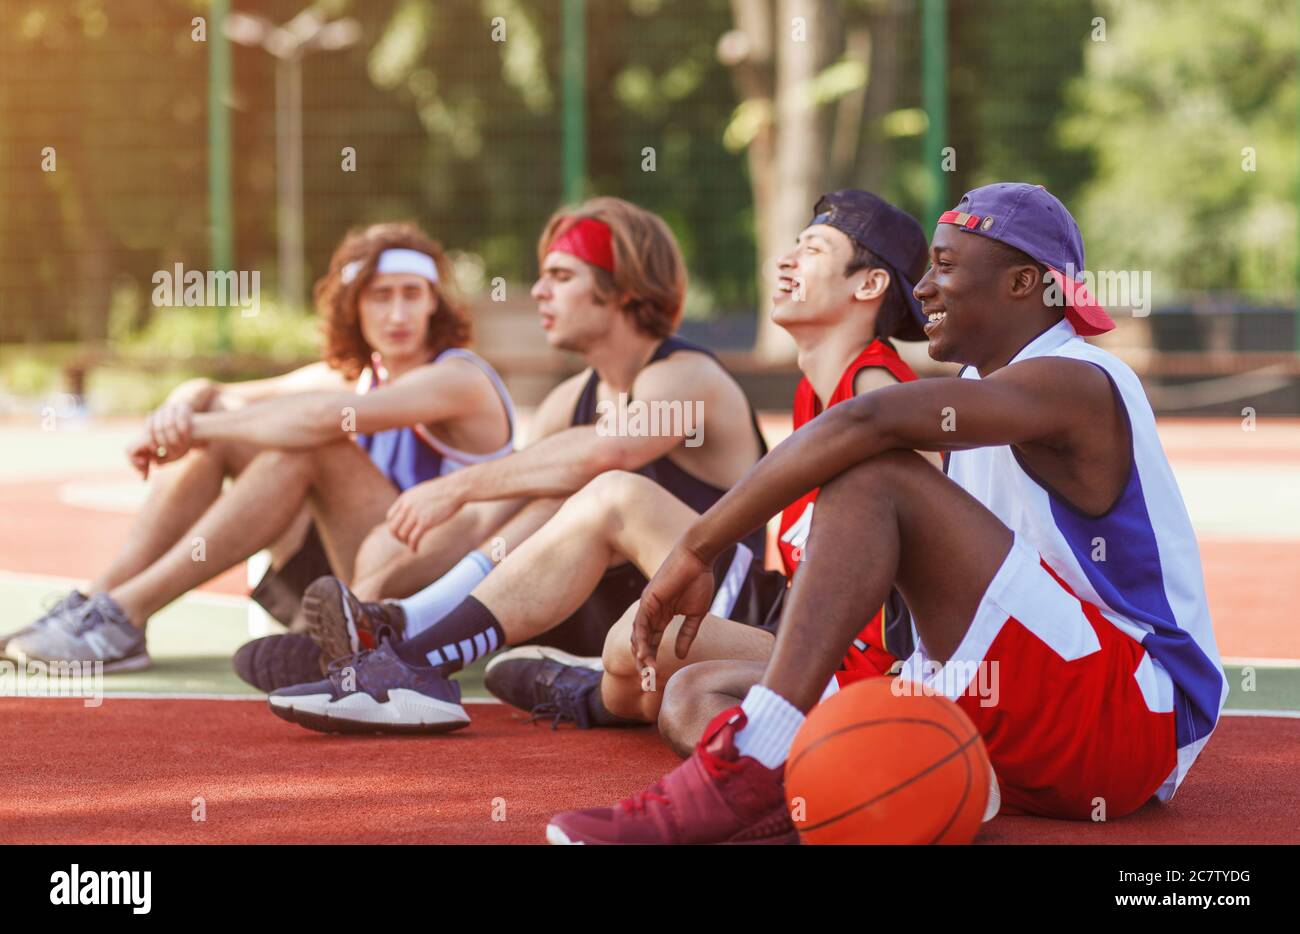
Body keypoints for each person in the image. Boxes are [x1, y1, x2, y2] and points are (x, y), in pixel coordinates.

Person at [547, 183, 1227, 845]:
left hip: (1127, 714)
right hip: (1021, 691)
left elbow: (870, 421)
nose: (924, 287)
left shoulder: (1077, 379)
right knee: (694, 693)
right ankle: (864, 793)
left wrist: (697, 548)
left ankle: (752, 768)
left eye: (947, 266)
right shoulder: (977, 388)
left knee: (874, 474)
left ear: (1023, 284)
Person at [255, 197, 769, 727]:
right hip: (609, 616)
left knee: (598, 486)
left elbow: (610, 450)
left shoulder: (689, 378)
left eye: (561, 276)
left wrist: (459, 486)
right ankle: (391, 627)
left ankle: (410, 644)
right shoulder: (568, 400)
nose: (540, 292)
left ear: (623, 286)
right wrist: (380, 583)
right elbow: (499, 511)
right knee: (537, 493)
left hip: (713, 611)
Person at [466, 189, 932, 735]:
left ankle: (577, 690)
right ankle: (585, 687)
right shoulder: (818, 391)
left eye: (813, 250)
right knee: (632, 647)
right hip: (795, 617)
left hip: (864, 658)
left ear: (869, 284)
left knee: (647, 660)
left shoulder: (878, 394)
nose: (784, 260)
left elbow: (930, 557)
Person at [3, 222, 515, 672]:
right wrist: (181, 407)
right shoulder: (358, 377)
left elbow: (316, 419)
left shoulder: (458, 378)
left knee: (308, 444)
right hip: (353, 566)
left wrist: (200, 426)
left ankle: (128, 613)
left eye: (411, 293)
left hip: (425, 583)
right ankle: (98, 602)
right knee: (238, 434)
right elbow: (220, 396)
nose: (398, 312)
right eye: (380, 295)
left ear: (434, 303)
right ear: (354, 306)